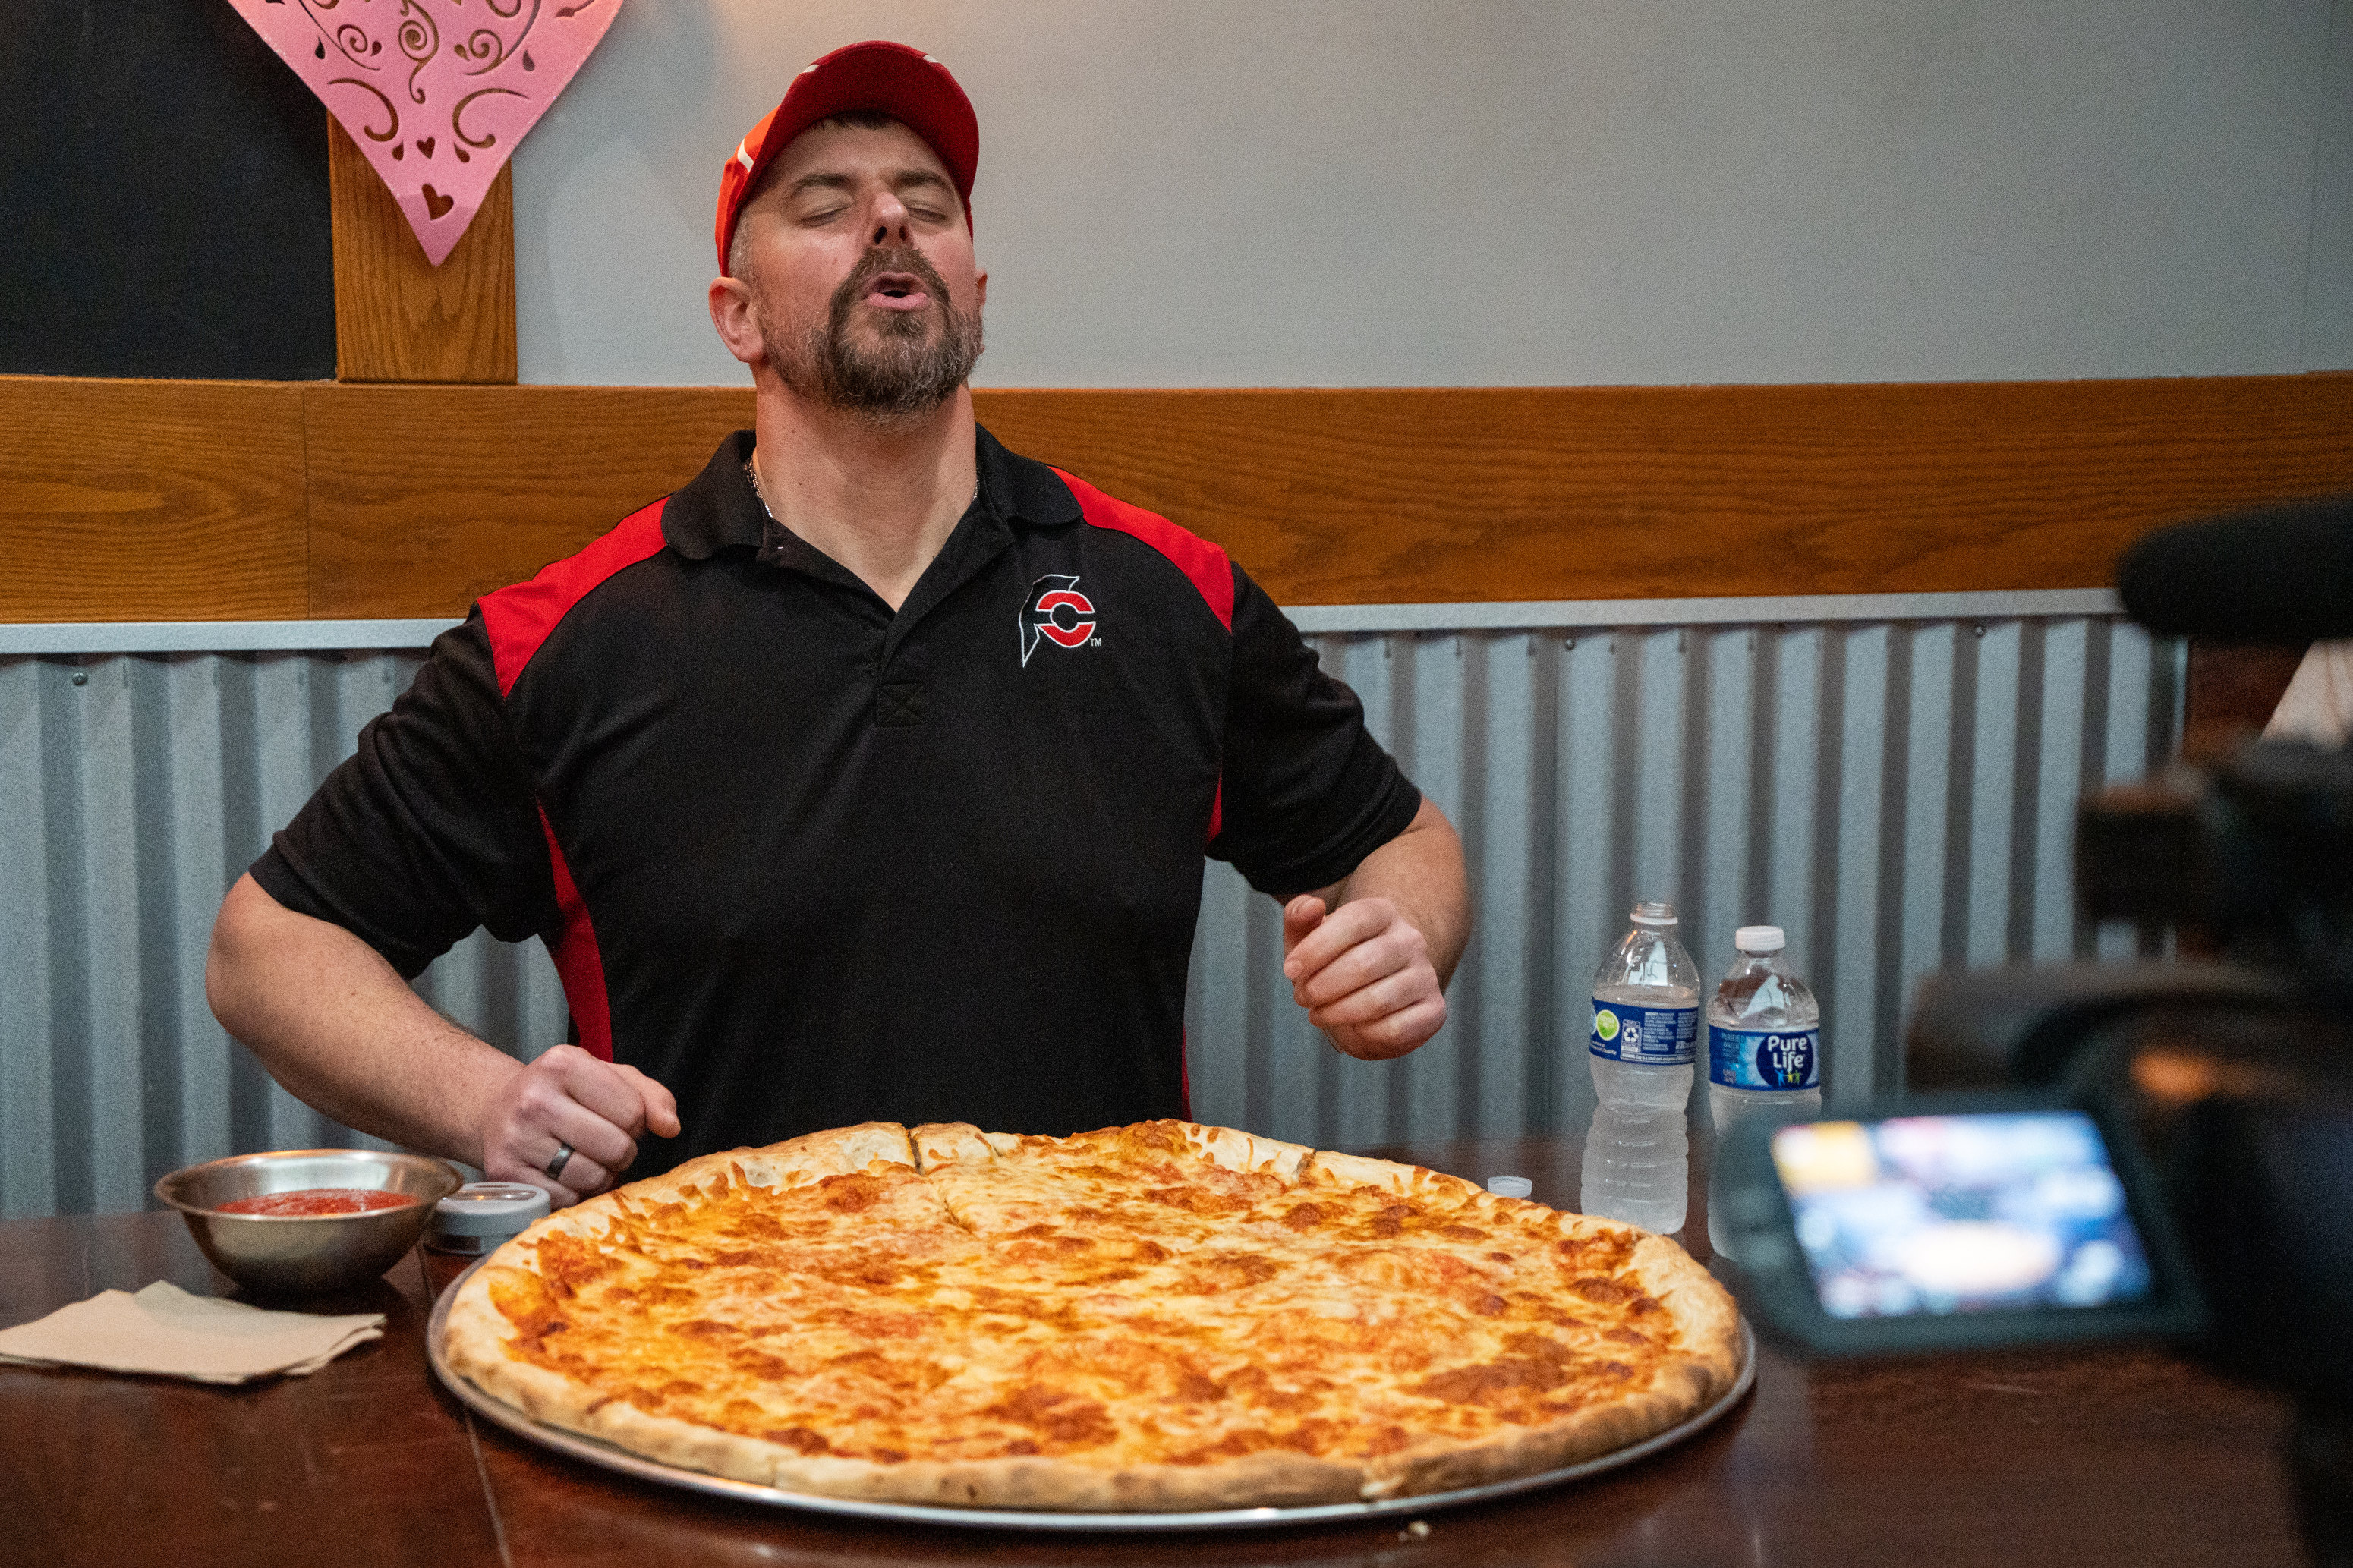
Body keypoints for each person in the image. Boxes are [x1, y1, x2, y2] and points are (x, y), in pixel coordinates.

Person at [206, 41, 1469, 1207]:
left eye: (929, 200)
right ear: (736, 316)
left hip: (1107, 1344)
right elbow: (268, 947)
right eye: (824, 204)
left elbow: (1403, 840)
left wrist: (1402, 941)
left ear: (976, 286)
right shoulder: (570, 638)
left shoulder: (1168, 594)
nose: (889, 219)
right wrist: (485, 1100)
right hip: (705, 1352)